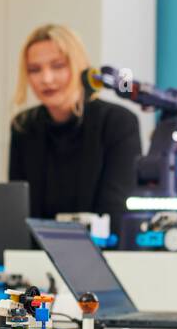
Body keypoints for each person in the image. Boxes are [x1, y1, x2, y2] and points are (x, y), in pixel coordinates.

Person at [7, 24, 140, 220]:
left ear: (80, 67)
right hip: (34, 249)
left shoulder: (118, 123)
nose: (46, 78)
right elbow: (19, 210)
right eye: (35, 70)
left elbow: (115, 211)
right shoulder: (24, 126)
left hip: (101, 248)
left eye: (58, 66)